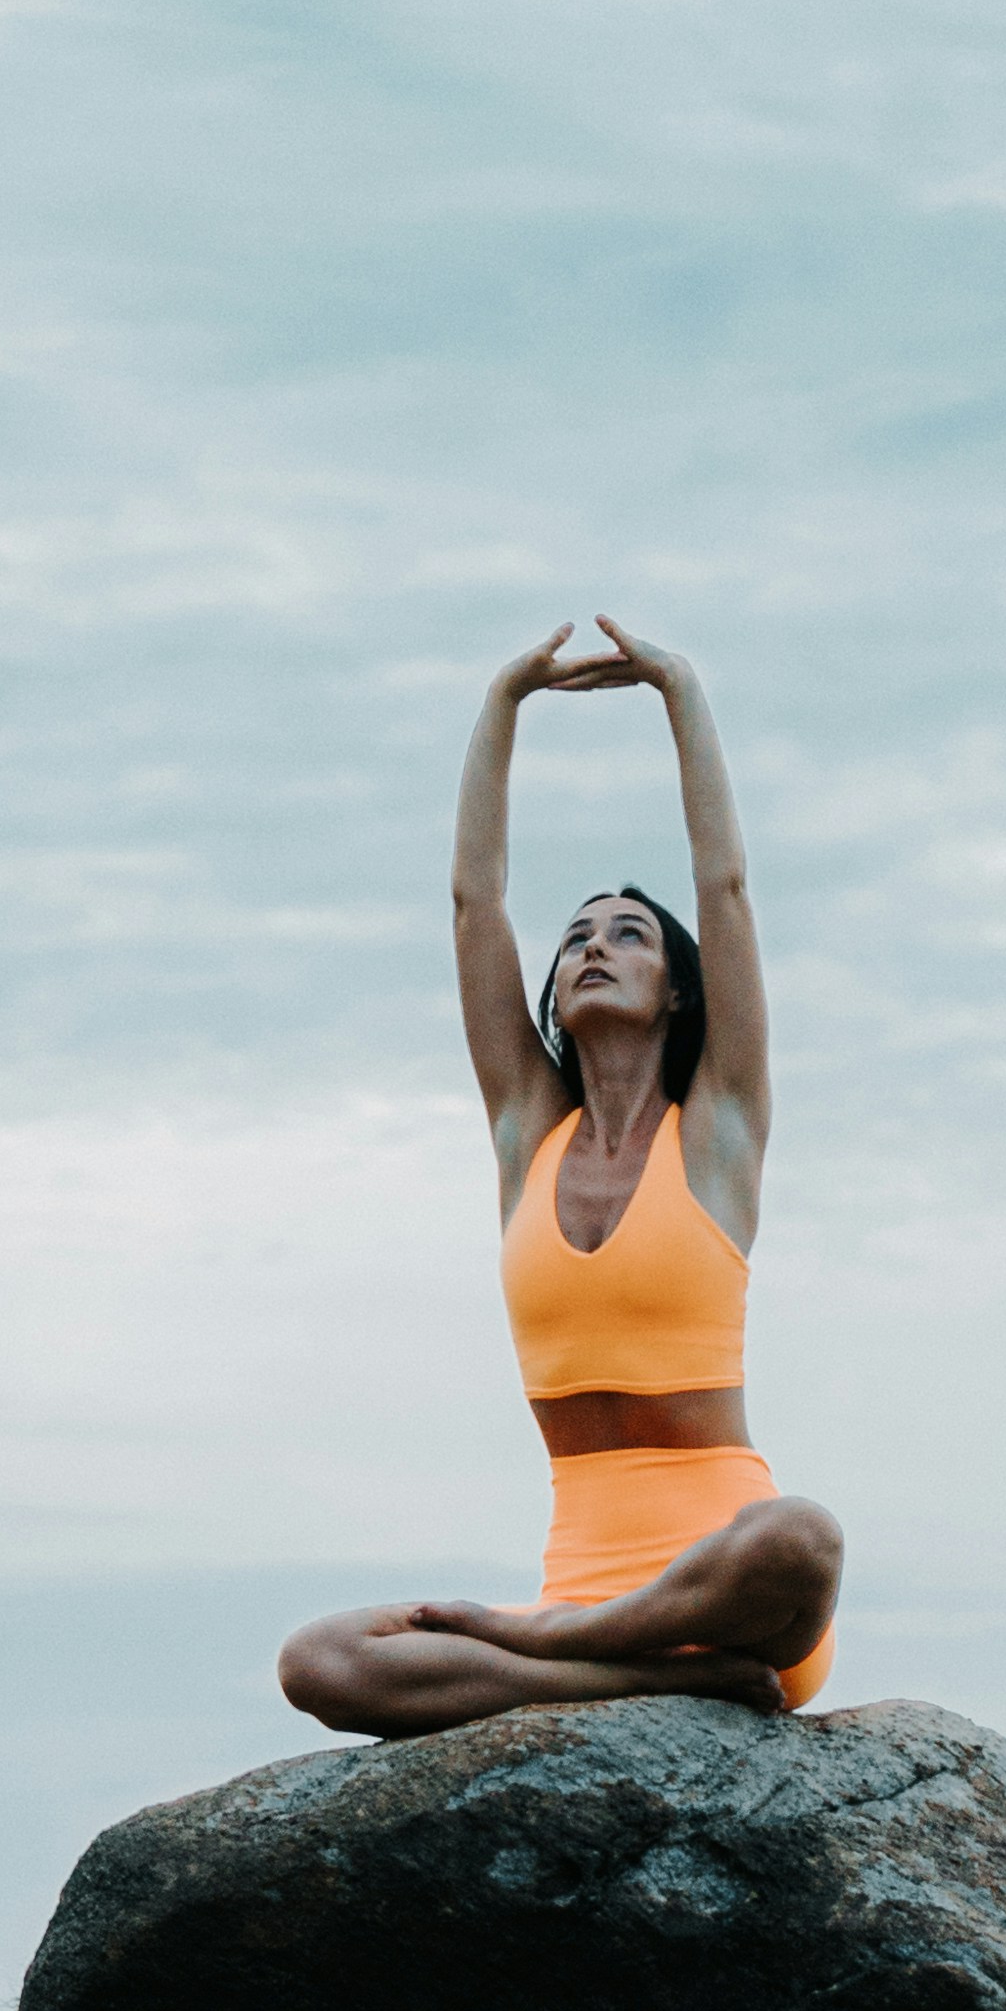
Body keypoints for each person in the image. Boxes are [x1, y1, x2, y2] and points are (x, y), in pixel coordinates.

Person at [279, 618, 842, 1736]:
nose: (594, 944)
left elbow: (723, 889)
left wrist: (678, 688)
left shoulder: (718, 1128)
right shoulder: (524, 1132)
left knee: (803, 1535)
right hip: (588, 1593)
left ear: (676, 988)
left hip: (725, 1586)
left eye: (629, 935)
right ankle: (640, 1676)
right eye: (579, 934)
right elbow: (472, 905)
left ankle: (559, 1647)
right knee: (317, 1660)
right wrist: (503, 701)